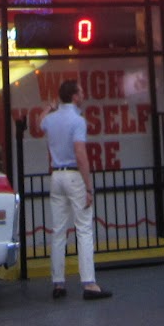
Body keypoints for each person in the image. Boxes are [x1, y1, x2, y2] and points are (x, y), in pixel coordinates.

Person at [40, 79, 110, 301]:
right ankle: (89, 283)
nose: (83, 94)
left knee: (59, 231)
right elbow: (80, 153)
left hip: (56, 175)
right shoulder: (78, 121)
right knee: (83, 229)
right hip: (73, 175)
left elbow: (39, 122)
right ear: (75, 96)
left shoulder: (50, 120)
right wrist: (88, 187)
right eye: (81, 91)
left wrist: (49, 108)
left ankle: (58, 282)